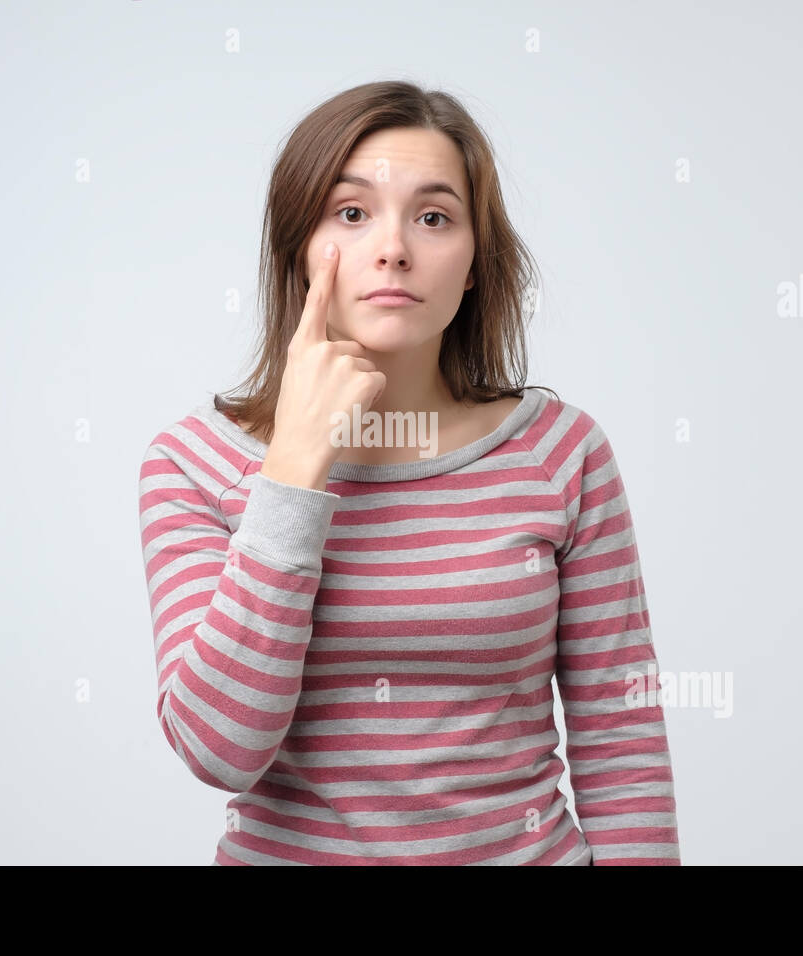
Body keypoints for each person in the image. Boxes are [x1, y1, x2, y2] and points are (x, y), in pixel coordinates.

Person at [138, 80, 681, 865]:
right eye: (352, 213)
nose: (393, 248)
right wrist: (293, 467)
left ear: (471, 266)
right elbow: (219, 747)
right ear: (299, 249)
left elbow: (620, 732)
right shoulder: (193, 462)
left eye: (433, 217)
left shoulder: (564, 453)